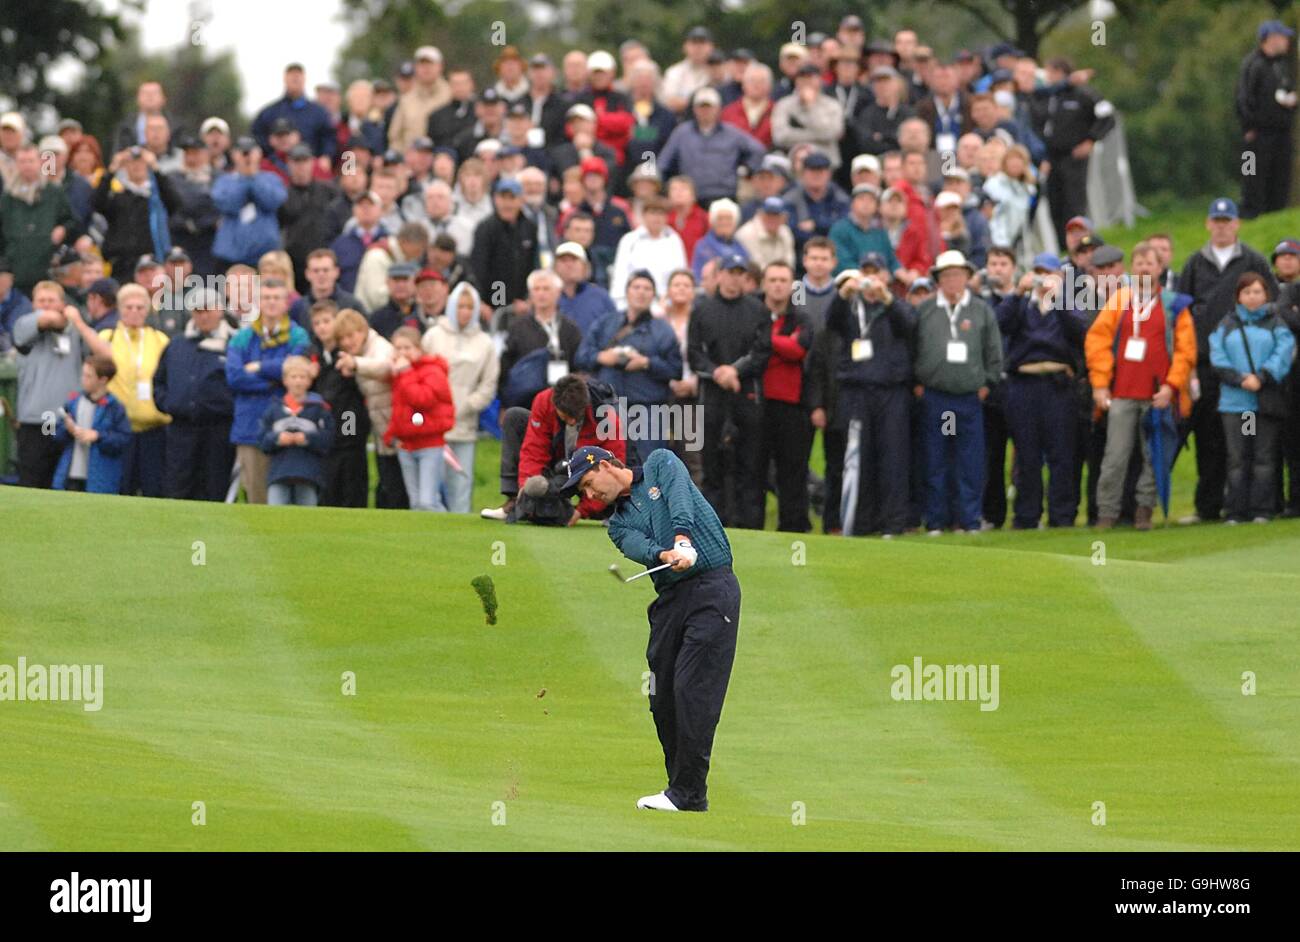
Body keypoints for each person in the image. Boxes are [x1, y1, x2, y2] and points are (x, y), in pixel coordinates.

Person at [564, 444, 740, 813]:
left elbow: (681, 497)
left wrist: (681, 538)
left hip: (712, 589)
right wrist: (665, 555)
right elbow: (639, 546)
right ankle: (681, 788)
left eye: (588, 483)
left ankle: (688, 793)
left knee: (692, 689)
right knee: (662, 697)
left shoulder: (659, 463)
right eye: (582, 492)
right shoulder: (617, 523)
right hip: (671, 600)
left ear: (606, 465)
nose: (589, 494)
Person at [1176, 198, 1277, 523]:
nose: (1221, 226)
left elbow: (1271, 306)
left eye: (1227, 220)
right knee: (1208, 436)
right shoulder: (1195, 263)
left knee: (1249, 438)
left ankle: (1253, 505)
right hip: (1206, 364)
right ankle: (1208, 506)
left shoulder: (1253, 260)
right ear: (1208, 224)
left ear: (1236, 224)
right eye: (1216, 220)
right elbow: (1182, 313)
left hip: (1247, 368)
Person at [1086, 241, 1196, 530]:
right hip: (1122, 392)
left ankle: (1144, 511)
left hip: (1158, 394)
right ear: (1132, 268)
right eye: (1139, 263)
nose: (1144, 268)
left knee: (1153, 457)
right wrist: (1100, 385)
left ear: (1160, 268)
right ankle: (1106, 513)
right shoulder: (1119, 300)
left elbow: (1186, 351)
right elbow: (1097, 341)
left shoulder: (1175, 305)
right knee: (1114, 457)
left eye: (1150, 263)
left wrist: (1171, 387)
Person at [822, 259, 916, 537]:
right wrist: (843, 293)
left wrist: (888, 299)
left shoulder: (896, 305)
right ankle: (859, 523)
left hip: (891, 391)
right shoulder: (850, 307)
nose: (872, 282)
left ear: (886, 278)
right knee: (857, 458)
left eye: (877, 275)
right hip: (856, 391)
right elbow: (830, 321)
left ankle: (893, 522)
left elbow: (909, 325)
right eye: (867, 275)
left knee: (893, 457)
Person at [913, 250, 1004, 534]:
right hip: (936, 398)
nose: (953, 280)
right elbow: (911, 349)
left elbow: (994, 352)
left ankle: (969, 519)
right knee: (936, 458)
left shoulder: (980, 310)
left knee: (970, 460)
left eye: (958, 274)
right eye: (947, 275)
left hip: (968, 399)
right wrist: (917, 383)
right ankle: (937, 520)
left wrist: (986, 384)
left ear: (967, 276)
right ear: (938, 279)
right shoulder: (925, 310)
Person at [995, 254, 1087, 528]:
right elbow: (999, 324)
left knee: (1061, 453)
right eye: (1038, 272)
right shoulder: (1021, 306)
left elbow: (1079, 331)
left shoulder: (1068, 306)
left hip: (1058, 386)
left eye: (1048, 273)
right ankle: (1026, 514)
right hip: (1024, 385)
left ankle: (1062, 514)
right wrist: (1017, 293)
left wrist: (1057, 299)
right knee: (1027, 453)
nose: (1042, 279)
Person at [688, 253, 771, 529]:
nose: (734, 278)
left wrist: (735, 371)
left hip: (746, 395)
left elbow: (762, 351)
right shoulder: (702, 309)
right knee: (712, 465)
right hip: (712, 397)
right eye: (730, 272)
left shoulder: (757, 310)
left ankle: (750, 526)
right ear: (719, 274)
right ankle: (713, 526)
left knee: (749, 465)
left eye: (740, 273)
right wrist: (717, 373)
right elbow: (694, 354)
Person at [480, 373, 628, 524]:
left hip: (586, 471)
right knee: (514, 416)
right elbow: (534, 449)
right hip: (556, 460)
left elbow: (613, 469)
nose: (571, 420)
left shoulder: (607, 417)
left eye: (575, 416)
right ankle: (514, 501)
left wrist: (581, 511)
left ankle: (611, 512)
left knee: (611, 487)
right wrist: (526, 488)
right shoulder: (543, 400)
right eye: (566, 416)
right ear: (555, 404)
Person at [1209, 272, 1295, 522]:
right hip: (1237, 404)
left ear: (1265, 295)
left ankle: (1262, 509)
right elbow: (1218, 355)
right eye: (1247, 292)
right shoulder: (1227, 324)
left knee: (1263, 457)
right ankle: (1236, 509)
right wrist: (1239, 379)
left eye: (1257, 292)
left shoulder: (1276, 322)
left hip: (1262, 401)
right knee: (1238, 457)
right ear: (1238, 296)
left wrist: (1263, 376)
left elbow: (1284, 351)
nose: (1252, 297)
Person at [575, 269, 682, 463]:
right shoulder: (606, 323)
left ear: (653, 295)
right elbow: (581, 357)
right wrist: (602, 357)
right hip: (608, 409)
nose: (641, 292)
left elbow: (676, 369)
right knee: (608, 468)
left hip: (648, 411)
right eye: (636, 287)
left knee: (650, 470)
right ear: (627, 292)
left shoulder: (663, 330)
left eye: (647, 288)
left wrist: (646, 363)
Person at [12, 282, 112, 487]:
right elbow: (48, 318)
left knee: (64, 482)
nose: (46, 306)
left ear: (63, 303)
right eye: (41, 301)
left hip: (69, 422)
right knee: (34, 480)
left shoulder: (75, 331)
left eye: (52, 301)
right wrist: (66, 316)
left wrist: (80, 323)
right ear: (33, 304)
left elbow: (107, 357)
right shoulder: (24, 324)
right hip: (39, 419)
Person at [225, 277, 311, 504]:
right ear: (258, 302)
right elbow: (234, 377)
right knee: (256, 496)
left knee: (290, 498)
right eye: (266, 298)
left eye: (276, 298)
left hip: (288, 425)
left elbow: (296, 369)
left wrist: (260, 367)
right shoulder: (243, 337)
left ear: (286, 303)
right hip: (250, 426)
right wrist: (273, 382)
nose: (271, 303)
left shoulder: (298, 335)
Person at [421, 282, 498, 513]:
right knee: (432, 484)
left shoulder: (485, 343)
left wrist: (466, 406)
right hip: (434, 424)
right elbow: (421, 373)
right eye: (460, 306)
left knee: (461, 482)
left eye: (469, 306)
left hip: (465, 423)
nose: (464, 311)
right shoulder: (434, 335)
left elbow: (488, 384)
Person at [153, 288, 236, 501]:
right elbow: (158, 381)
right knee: (177, 487)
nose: (203, 316)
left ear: (220, 310)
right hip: (181, 429)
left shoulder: (233, 343)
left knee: (214, 487)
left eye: (208, 310)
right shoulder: (177, 344)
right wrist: (168, 403)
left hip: (218, 429)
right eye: (198, 311)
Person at [756, 261, 813, 532]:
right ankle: (750, 525)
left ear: (791, 285)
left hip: (791, 405)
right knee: (753, 468)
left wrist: (767, 340)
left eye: (783, 280)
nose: (778, 285)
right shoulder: (752, 314)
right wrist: (780, 342)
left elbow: (797, 350)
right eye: (773, 279)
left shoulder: (801, 317)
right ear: (764, 283)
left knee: (793, 471)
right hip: (755, 403)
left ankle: (793, 527)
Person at [1039, 57, 1114, 248]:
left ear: (1060, 72)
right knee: (1055, 204)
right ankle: (1062, 248)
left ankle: (1080, 247)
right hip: (1052, 158)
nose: (1047, 77)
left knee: (1074, 204)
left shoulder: (1085, 94)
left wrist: (1091, 140)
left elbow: (1107, 117)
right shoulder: (1050, 96)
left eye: (1050, 72)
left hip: (1074, 157)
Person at [383, 326, 455, 512]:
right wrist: (391, 434)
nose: (402, 353)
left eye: (407, 348)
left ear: (419, 349)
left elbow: (422, 400)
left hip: (430, 445)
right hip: (406, 445)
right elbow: (398, 408)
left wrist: (406, 373)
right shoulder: (399, 374)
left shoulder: (433, 371)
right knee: (415, 502)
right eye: (398, 348)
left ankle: (448, 533)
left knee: (428, 501)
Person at [306, 300, 370, 508]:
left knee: (351, 471)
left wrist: (349, 431)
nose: (323, 327)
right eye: (317, 323)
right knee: (329, 485)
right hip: (326, 429)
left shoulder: (346, 352)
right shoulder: (315, 356)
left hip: (349, 420)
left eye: (327, 321)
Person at [657, 87, 766, 204]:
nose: (705, 111)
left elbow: (758, 149)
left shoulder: (732, 133)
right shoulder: (682, 133)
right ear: (694, 109)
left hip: (725, 196)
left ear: (718, 109)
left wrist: (746, 170)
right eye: (701, 107)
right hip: (692, 199)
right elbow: (663, 163)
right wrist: (665, 189)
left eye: (709, 107)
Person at [1236, 21, 1297, 219]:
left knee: (1280, 179)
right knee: (1251, 175)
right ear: (1271, 38)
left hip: (1281, 134)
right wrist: (1249, 127)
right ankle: (1249, 215)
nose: (1288, 42)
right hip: (1256, 136)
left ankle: (1275, 217)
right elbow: (1242, 98)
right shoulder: (1253, 64)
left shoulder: (1280, 65)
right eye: (1284, 37)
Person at [499, 269, 582, 410]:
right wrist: (504, 404)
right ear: (531, 294)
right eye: (536, 289)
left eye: (546, 289)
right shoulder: (517, 327)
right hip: (525, 403)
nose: (541, 293)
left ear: (558, 292)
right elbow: (505, 367)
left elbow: (579, 366)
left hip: (562, 405)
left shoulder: (570, 329)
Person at [0, 144, 77, 297]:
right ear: (16, 164)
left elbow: (72, 221)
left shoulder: (54, 192)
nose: (27, 165)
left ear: (40, 162)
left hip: (47, 270)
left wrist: (63, 229)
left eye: (31, 161)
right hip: (16, 272)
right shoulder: (7, 198)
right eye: (22, 161)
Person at [258, 354, 334, 507]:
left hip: (308, 474)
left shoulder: (319, 408)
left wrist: (307, 439)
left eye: (302, 377)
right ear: (285, 380)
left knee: (307, 517)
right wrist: (278, 439)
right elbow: (262, 440)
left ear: (310, 380)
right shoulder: (273, 408)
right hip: (279, 472)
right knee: (276, 515)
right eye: (294, 377)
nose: (298, 381)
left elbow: (329, 438)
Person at [52, 353, 133, 493]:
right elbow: (53, 432)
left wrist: (98, 436)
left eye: (88, 376)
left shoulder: (115, 407)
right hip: (71, 476)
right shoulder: (73, 402)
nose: (83, 380)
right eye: (83, 374)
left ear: (103, 380)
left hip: (100, 479)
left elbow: (124, 439)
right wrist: (67, 429)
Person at [212, 138, 287, 269]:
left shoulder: (271, 178)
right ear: (234, 155)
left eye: (250, 152)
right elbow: (228, 204)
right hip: (230, 256)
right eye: (243, 153)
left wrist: (254, 177)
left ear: (259, 154)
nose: (247, 157)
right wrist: (243, 179)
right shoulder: (224, 181)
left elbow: (272, 202)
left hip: (265, 254)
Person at [609, 196, 688, 308]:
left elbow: (680, 274)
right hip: (634, 303)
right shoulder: (630, 240)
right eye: (653, 213)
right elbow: (620, 275)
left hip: (667, 304)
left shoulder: (674, 240)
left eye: (661, 214)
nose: (657, 218)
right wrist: (620, 305)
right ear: (644, 215)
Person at [253, 64, 336, 163]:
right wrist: (273, 144)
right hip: (277, 167)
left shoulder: (319, 113)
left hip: (311, 169)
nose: (295, 80)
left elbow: (329, 138)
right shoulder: (269, 112)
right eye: (292, 77)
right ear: (285, 79)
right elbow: (257, 137)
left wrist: (326, 156)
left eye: (298, 76)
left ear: (304, 79)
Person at [289, 249, 366, 329]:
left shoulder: (352, 305)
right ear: (307, 274)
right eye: (316, 271)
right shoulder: (298, 308)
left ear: (336, 272)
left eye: (326, 270)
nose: (321, 275)